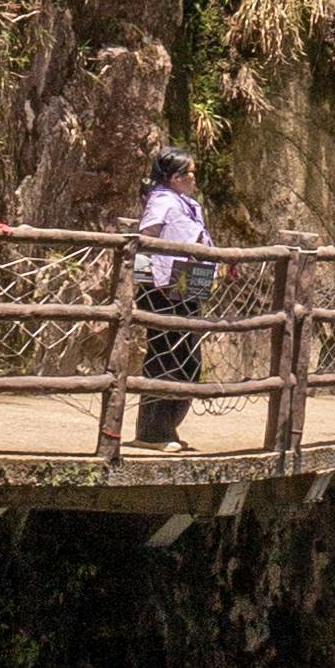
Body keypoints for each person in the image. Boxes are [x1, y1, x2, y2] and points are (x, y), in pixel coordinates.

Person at [131, 142, 212, 447]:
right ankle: (154, 431)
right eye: (191, 172)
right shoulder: (162, 201)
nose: (194, 178)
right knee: (170, 356)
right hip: (166, 286)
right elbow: (144, 240)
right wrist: (146, 284)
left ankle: (165, 428)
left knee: (187, 357)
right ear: (176, 176)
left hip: (186, 283)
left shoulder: (183, 203)